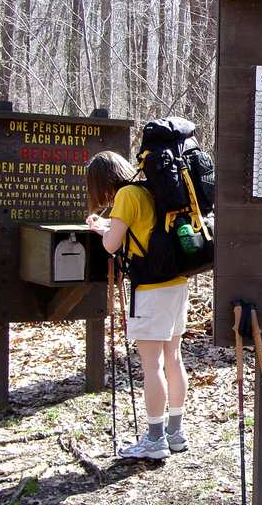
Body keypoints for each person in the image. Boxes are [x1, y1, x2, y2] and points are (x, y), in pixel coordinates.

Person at [86, 151, 189, 459]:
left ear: (102, 182)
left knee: (151, 363)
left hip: (150, 288)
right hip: (177, 282)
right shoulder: (151, 188)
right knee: (174, 357)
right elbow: (140, 228)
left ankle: (155, 439)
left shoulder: (126, 195)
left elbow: (111, 245)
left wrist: (102, 228)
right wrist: (112, 224)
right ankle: (176, 432)